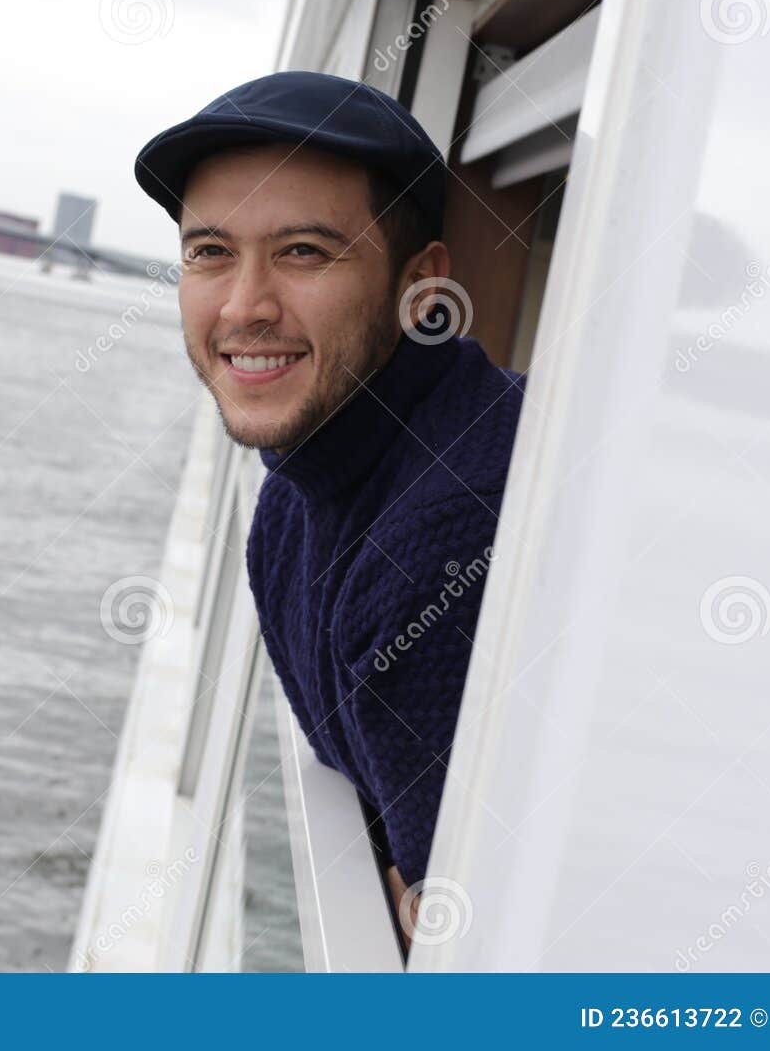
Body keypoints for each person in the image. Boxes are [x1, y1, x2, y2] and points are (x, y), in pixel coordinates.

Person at [134, 71, 524, 946]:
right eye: (210, 252)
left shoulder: (441, 546)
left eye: (305, 251)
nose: (244, 306)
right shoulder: (292, 499)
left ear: (420, 286)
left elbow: (479, 953)